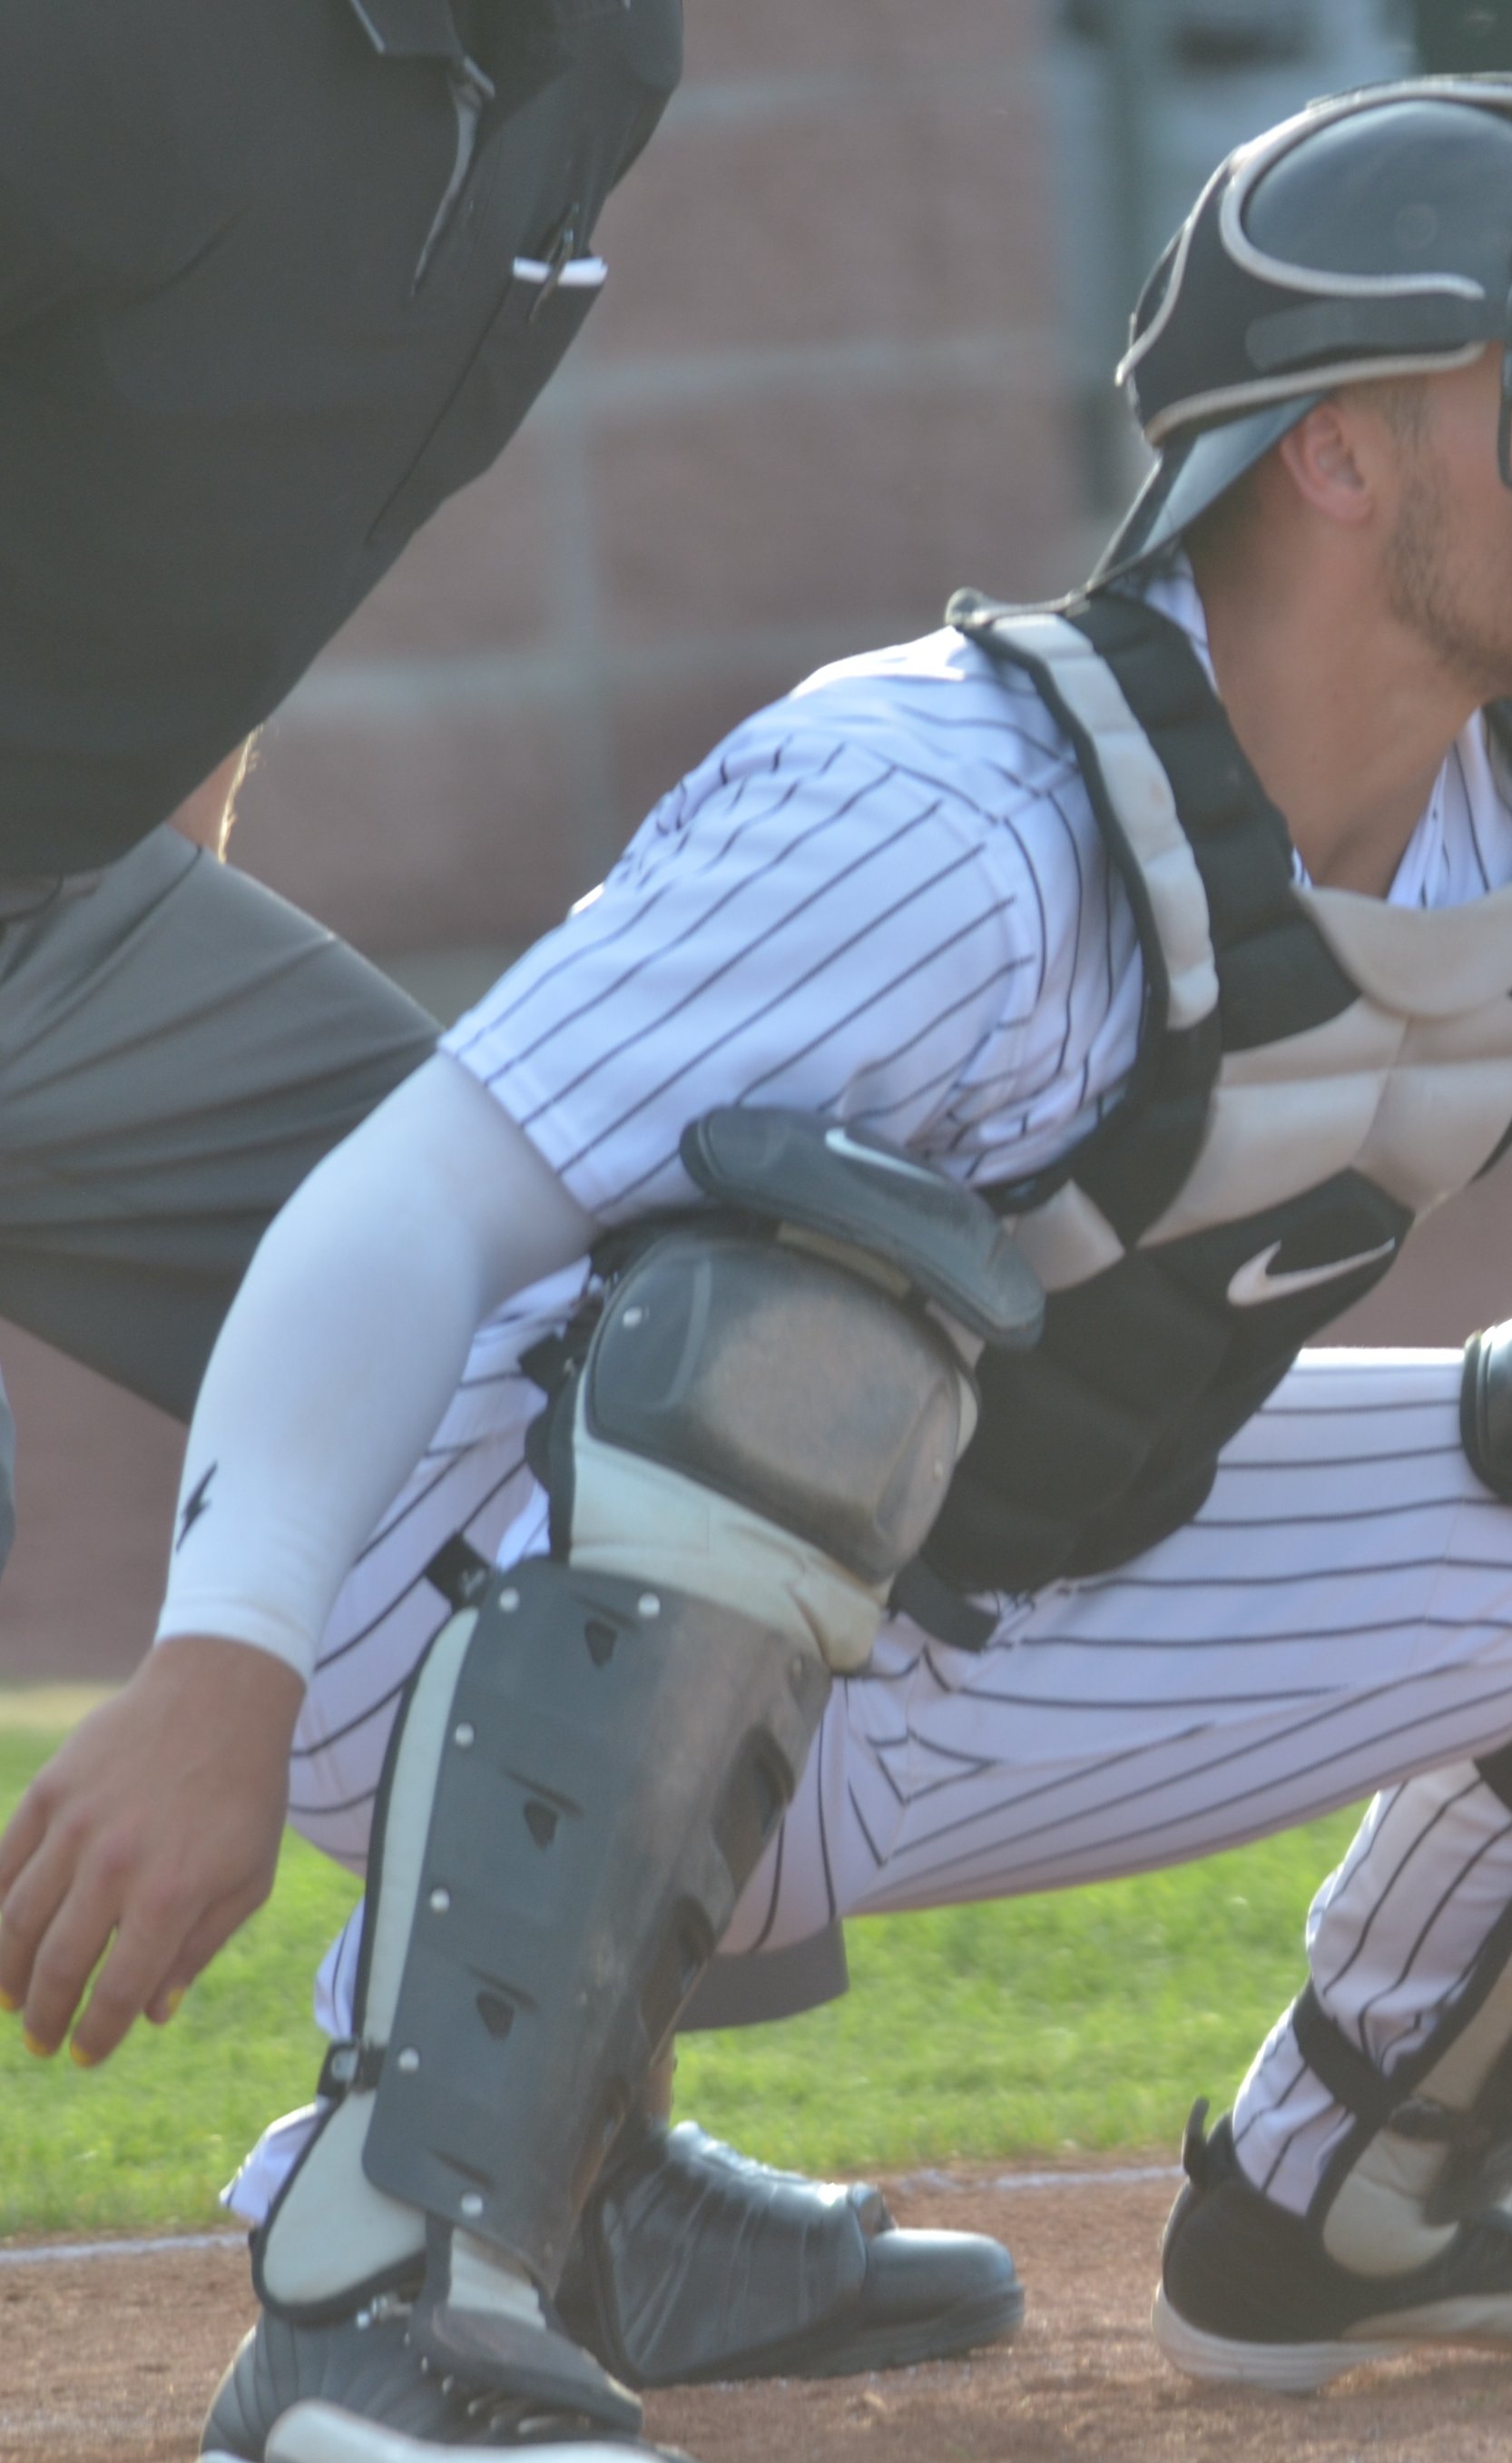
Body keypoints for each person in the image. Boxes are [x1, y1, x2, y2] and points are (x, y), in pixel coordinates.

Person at [0, 78, 1512, 2462]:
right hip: (473, 1623)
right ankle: (389, 2306)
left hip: (976, 1590)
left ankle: (1367, 2198)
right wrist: (218, 1675)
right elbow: (406, 1203)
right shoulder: (937, 805)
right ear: (1337, 448)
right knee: (782, 1351)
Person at [0, 0, 1025, 2411]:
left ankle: (552, 2174)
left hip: (58, 900)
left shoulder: (594, 62)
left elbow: (258, 497)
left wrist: (171, 842)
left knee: (655, 1340)